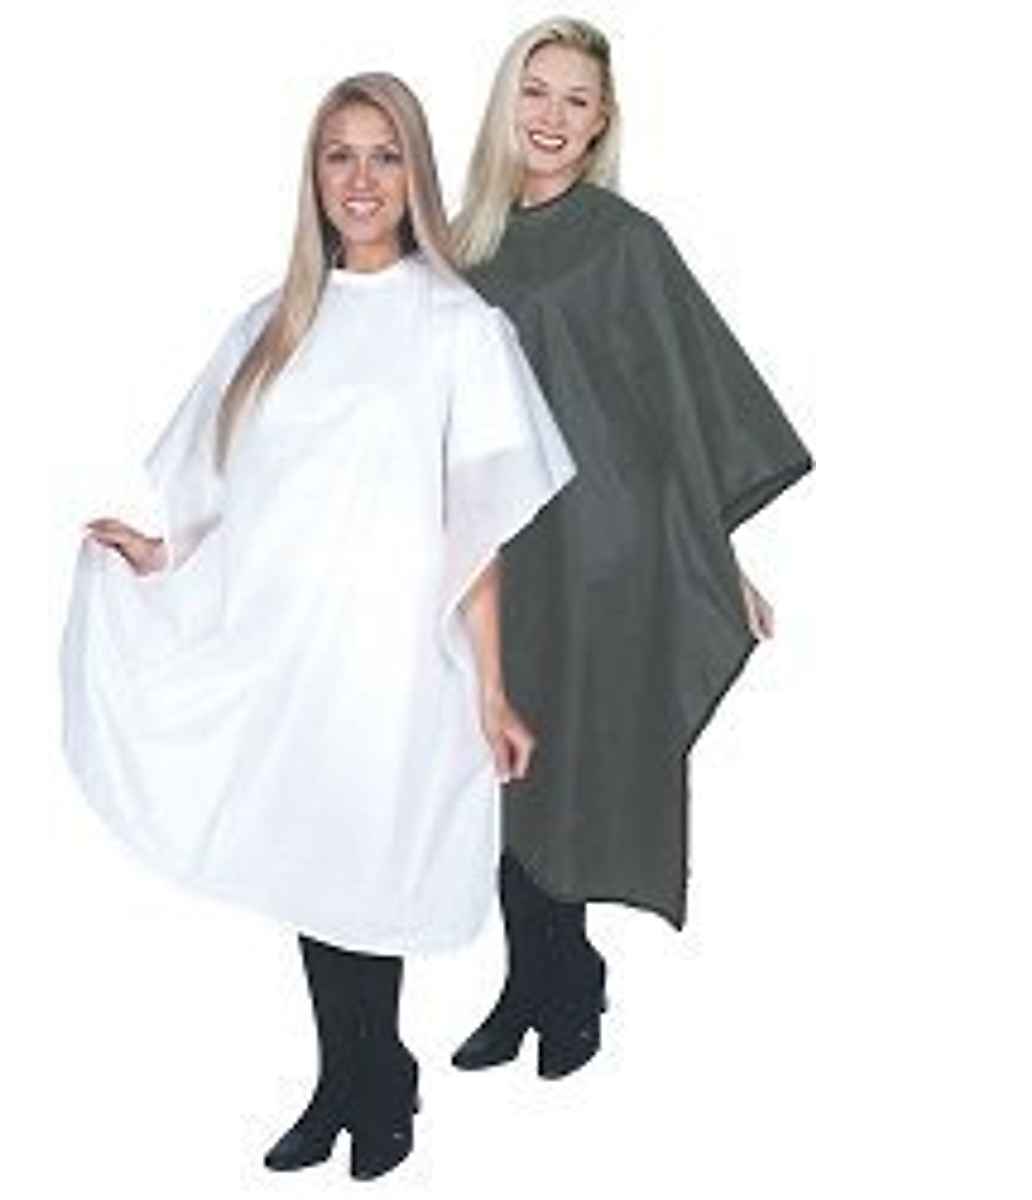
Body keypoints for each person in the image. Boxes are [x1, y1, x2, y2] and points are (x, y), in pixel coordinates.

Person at [59, 72, 574, 1180]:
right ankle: (350, 1077)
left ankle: (376, 1078)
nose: (362, 179)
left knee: (366, 868)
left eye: (384, 156)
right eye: (340, 155)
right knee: (312, 861)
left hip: (396, 655)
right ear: (314, 174)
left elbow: (478, 524)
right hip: (289, 648)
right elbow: (233, 492)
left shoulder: (457, 327)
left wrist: (492, 689)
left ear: (415, 174)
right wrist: (160, 553)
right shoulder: (274, 322)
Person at [449, 18, 814, 1080]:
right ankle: (532, 978)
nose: (552, 116)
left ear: (603, 119)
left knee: (562, 761)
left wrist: (713, 557)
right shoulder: (460, 246)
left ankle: (563, 985)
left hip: (601, 547)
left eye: (577, 99)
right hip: (495, 547)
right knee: (488, 766)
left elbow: (684, 404)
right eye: (537, 91)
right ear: (505, 101)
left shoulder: (624, 242)